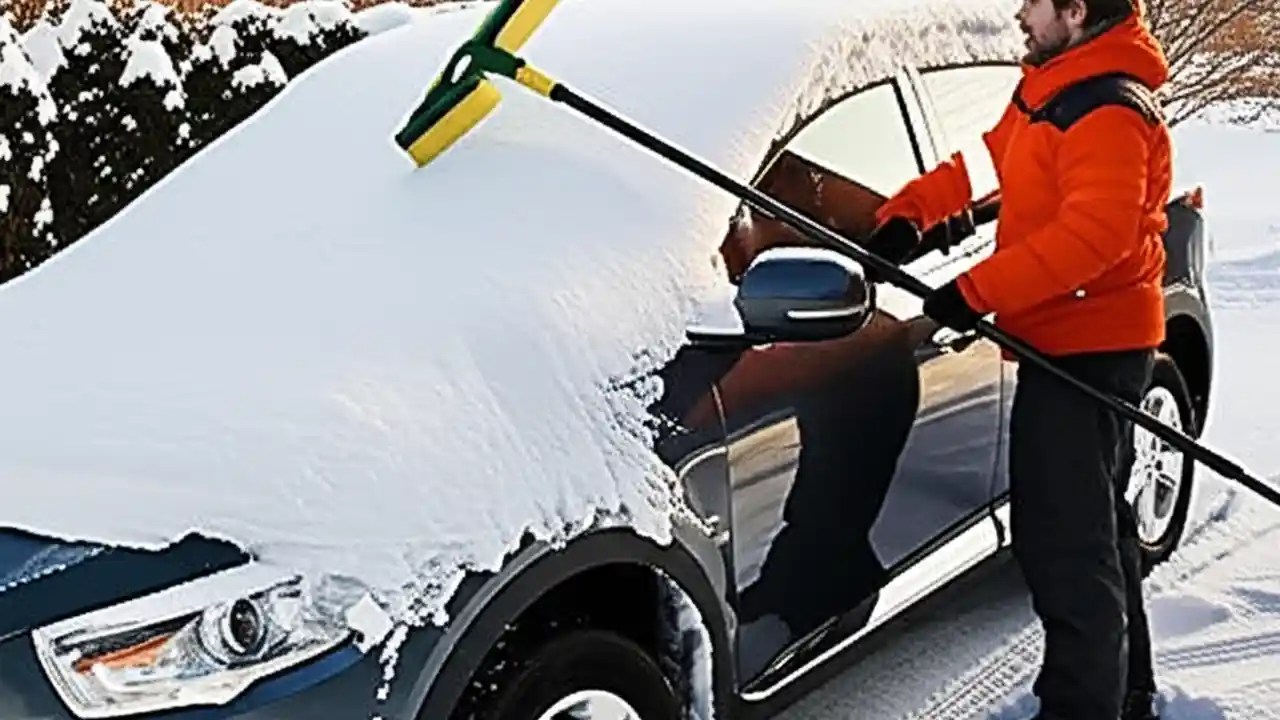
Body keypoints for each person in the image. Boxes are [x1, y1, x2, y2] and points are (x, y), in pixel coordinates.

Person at [865, 0, 1172, 718]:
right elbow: (987, 159)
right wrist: (913, 212)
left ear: (1074, 10)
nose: (1019, 11)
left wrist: (974, 291)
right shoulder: (1056, 83)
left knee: (1065, 542)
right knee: (1095, 527)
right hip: (1066, 340)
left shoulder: (1110, 108)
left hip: (1092, 351)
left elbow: (1094, 237)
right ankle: (1128, 690)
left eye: (1034, 0)